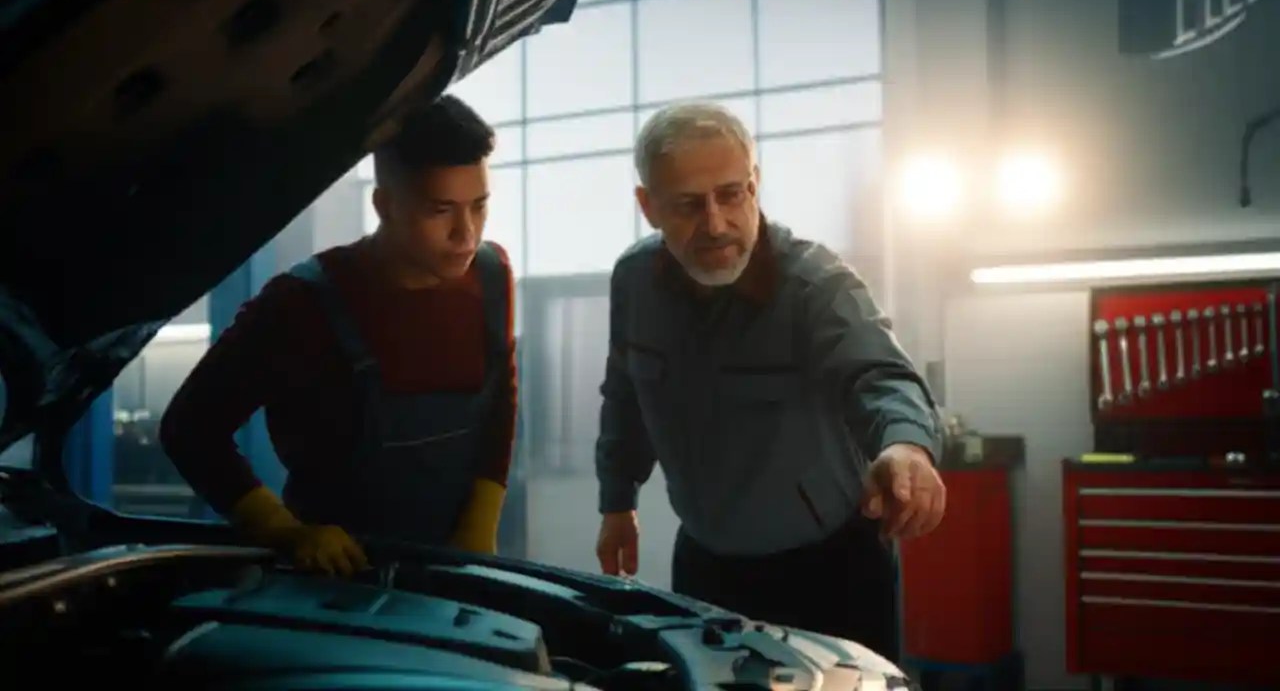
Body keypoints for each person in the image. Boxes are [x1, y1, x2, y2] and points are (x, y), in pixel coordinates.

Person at [593, 101, 946, 662]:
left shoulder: (817, 284)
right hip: (707, 569)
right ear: (647, 206)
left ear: (755, 185)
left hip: (834, 573)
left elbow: (881, 375)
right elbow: (626, 394)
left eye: (731, 195)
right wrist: (617, 504)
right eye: (687, 205)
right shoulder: (634, 282)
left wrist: (907, 447)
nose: (715, 225)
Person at [161, 95, 517, 576]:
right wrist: (284, 531)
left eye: (479, 206)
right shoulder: (299, 305)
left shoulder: (493, 276)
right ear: (384, 204)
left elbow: (500, 402)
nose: (467, 235)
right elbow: (189, 428)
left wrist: (479, 529)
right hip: (339, 584)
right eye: (441, 211)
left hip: (458, 568)